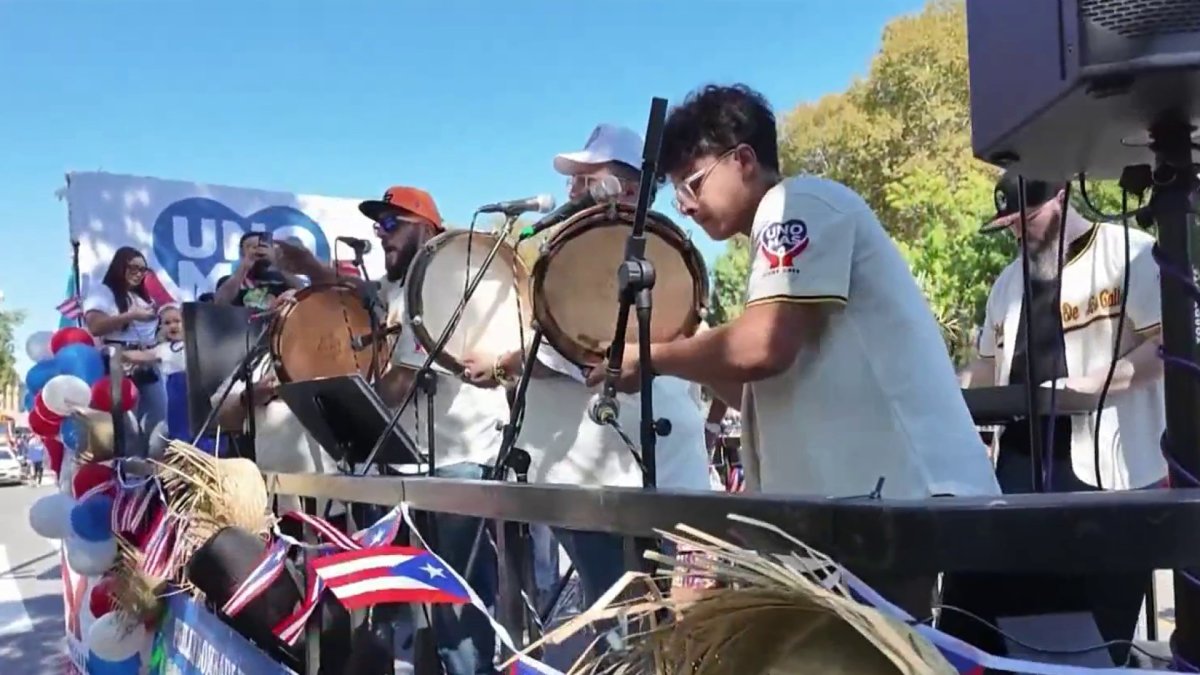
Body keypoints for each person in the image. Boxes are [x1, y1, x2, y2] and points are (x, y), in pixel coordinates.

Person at [586, 84, 1001, 613]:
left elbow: (764, 345)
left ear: (743, 160)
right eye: (676, 192)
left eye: (692, 183)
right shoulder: (775, 238)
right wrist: (683, 352)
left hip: (897, 502)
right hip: (854, 511)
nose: (686, 205)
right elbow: (754, 391)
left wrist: (650, 357)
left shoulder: (797, 203)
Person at [461, 123, 714, 610]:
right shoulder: (577, 257)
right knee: (624, 621)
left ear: (631, 189)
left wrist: (503, 363)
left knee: (635, 621)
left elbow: (586, 351)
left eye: (585, 176)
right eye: (573, 179)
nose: (572, 189)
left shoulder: (644, 254)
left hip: (627, 471)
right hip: (591, 478)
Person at [285, 185, 509, 675]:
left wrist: (343, 407)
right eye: (377, 225)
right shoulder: (399, 288)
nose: (381, 235)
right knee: (423, 592)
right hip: (415, 458)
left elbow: (402, 380)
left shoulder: (447, 281)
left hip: (457, 457)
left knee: (457, 596)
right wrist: (312, 268)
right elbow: (365, 294)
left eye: (392, 225)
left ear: (426, 228)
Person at [952, 172, 1165, 659]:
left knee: (1091, 644)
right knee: (983, 624)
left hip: (1109, 474)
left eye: (1027, 219)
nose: (1017, 233)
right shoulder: (1007, 284)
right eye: (1007, 225)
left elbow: (1170, 345)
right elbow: (984, 371)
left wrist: (1092, 387)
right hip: (1015, 475)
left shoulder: (1130, 253)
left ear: (1064, 196)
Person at [83, 246, 167, 451]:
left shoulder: (146, 299)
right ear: (120, 266)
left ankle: (153, 472)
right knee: (128, 427)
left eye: (143, 270)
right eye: (133, 268)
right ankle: (131, 476)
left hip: (148, 362)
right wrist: (131, 316)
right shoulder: (104, 291)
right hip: (119, 362)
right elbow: (95, 326)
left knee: (160, 423)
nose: (138, 274)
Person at [214, 232, 305, 310]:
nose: (258, 250)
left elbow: (305, 295)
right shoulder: (229, 281)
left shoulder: (281, 281)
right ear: (242, 253)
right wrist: (245, 266)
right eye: (251, 246)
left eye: (263, 246)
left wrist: (277, 262)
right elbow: (219, 303)